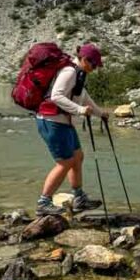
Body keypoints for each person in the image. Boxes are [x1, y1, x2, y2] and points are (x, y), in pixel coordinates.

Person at [36, 43, 110, 216]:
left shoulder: (80, 73)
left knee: (77, 157)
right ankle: (43, 203)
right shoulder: (70, 72)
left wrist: (100, 114)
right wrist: (79, 110)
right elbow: (56, 96)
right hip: (51, 121)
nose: (95, 68)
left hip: (62, 122)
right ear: (84, 59)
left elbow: (84, 98)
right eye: (93, 64)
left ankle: (79, 198)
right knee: (65, 162)